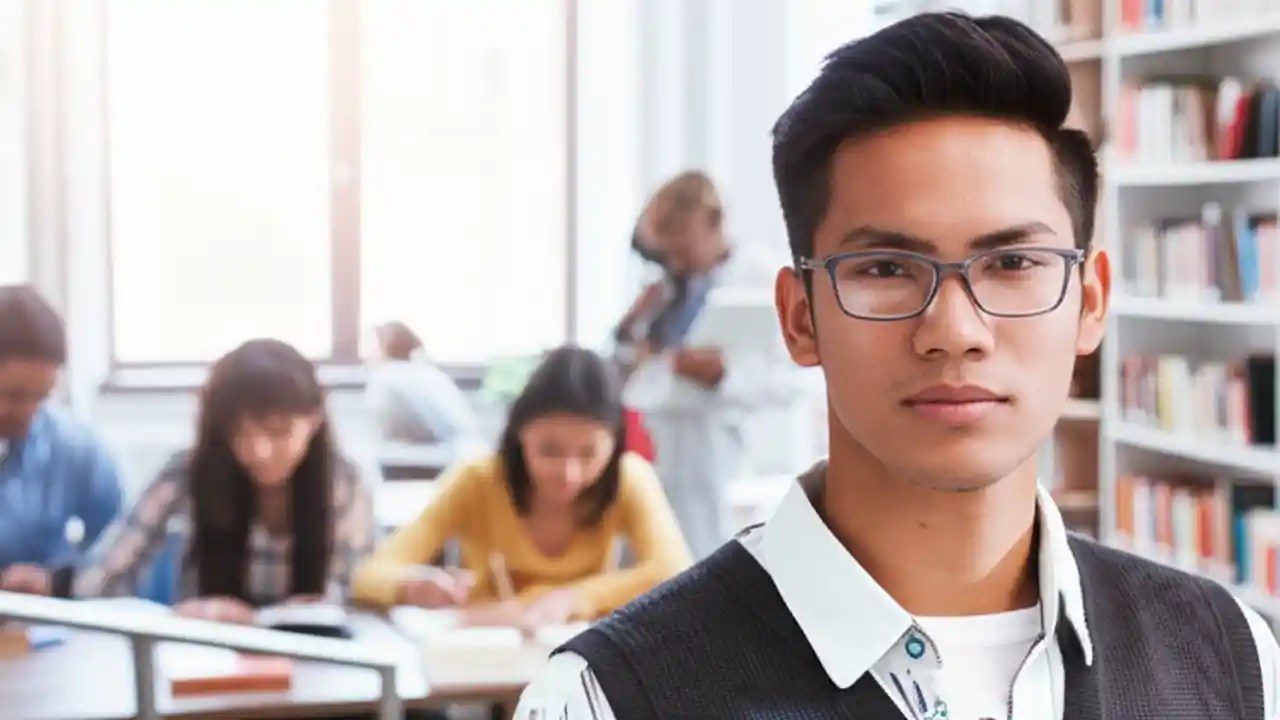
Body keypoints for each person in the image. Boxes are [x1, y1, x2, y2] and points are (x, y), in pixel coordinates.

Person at [518, 12, 1280, 719]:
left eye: (1013, 261)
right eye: (886, 269)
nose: (954, 331)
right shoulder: (606, 698)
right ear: (799, 317)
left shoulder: (1231, 657)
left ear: (1089, 304)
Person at [351, 346, 690, 628]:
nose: (569, 473)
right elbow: (368, 575)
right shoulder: (478, 478)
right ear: (519, 436)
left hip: (576, 670)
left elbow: (674, 572)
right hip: (486, 670)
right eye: (549, 450)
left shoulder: (628, 476)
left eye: (589, 454)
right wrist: (411, 586)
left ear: (614, 445)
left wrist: (574, 598)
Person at [76, 339, 375, 621]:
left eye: (278, 431)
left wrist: (313, 612)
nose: (259, 451)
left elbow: (362, 602)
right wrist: (183, 614)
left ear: (314, 420)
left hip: (319, 664)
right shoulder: (187, 473)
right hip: (207, 659)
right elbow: (96, 583)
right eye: (241, 432)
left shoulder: (344, 484)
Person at [615, 170, 799, 559]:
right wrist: (632, 328)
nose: (676, 262)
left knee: (713, 567)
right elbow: (637, 369)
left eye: (683, 250)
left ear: (714, 224)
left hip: (726, 456)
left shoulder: (763, 277)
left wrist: (723, 377)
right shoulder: (668, 288)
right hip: (661, 446)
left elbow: (797, 379)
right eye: (668, 254)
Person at [0, 284, 124, 598]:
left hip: (43, 629)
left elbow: (123, 551)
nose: (29, 413)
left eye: (40, 397)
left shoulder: (73, 447)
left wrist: (57, 581)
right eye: (13, 396)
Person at [365, 321, 479, 448]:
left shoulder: (386, 378)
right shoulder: (431, 373)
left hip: (430, 457)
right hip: (468, 454)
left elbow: (391, 435)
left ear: (384, 348)